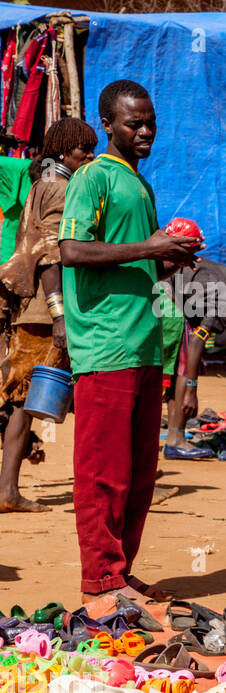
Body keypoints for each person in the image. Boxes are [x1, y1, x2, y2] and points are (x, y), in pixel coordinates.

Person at [60, 79, 203, 605]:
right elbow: (71, 250)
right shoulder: (92, 177)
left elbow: (135, 260)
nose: (144, 131)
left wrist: (167, 257)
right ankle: (99, 580)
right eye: (132, 123)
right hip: (104, 345)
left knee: (140, 474)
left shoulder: (139, 184)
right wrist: (149, 245)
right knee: (103, 473)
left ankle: (119, 573)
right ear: (107, 125)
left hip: (145, 344)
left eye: (150, 123)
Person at [0, 117, 97, 512]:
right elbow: (51, 256)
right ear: (61, 151)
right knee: (30, 399)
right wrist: (59, 315)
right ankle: (8, 491)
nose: (89, 157)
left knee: (25, 399)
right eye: (82, 150)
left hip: (33, 307)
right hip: (45, 310)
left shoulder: (42, 184)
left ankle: (9, 489)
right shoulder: (59, 190)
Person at [160, 255, 226, 460]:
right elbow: (197, 341)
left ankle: (175, 438)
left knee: (179, 368)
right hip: (165, 301)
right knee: (186, 366)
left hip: (162, 292)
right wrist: (191, 390)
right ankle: (176, 441)